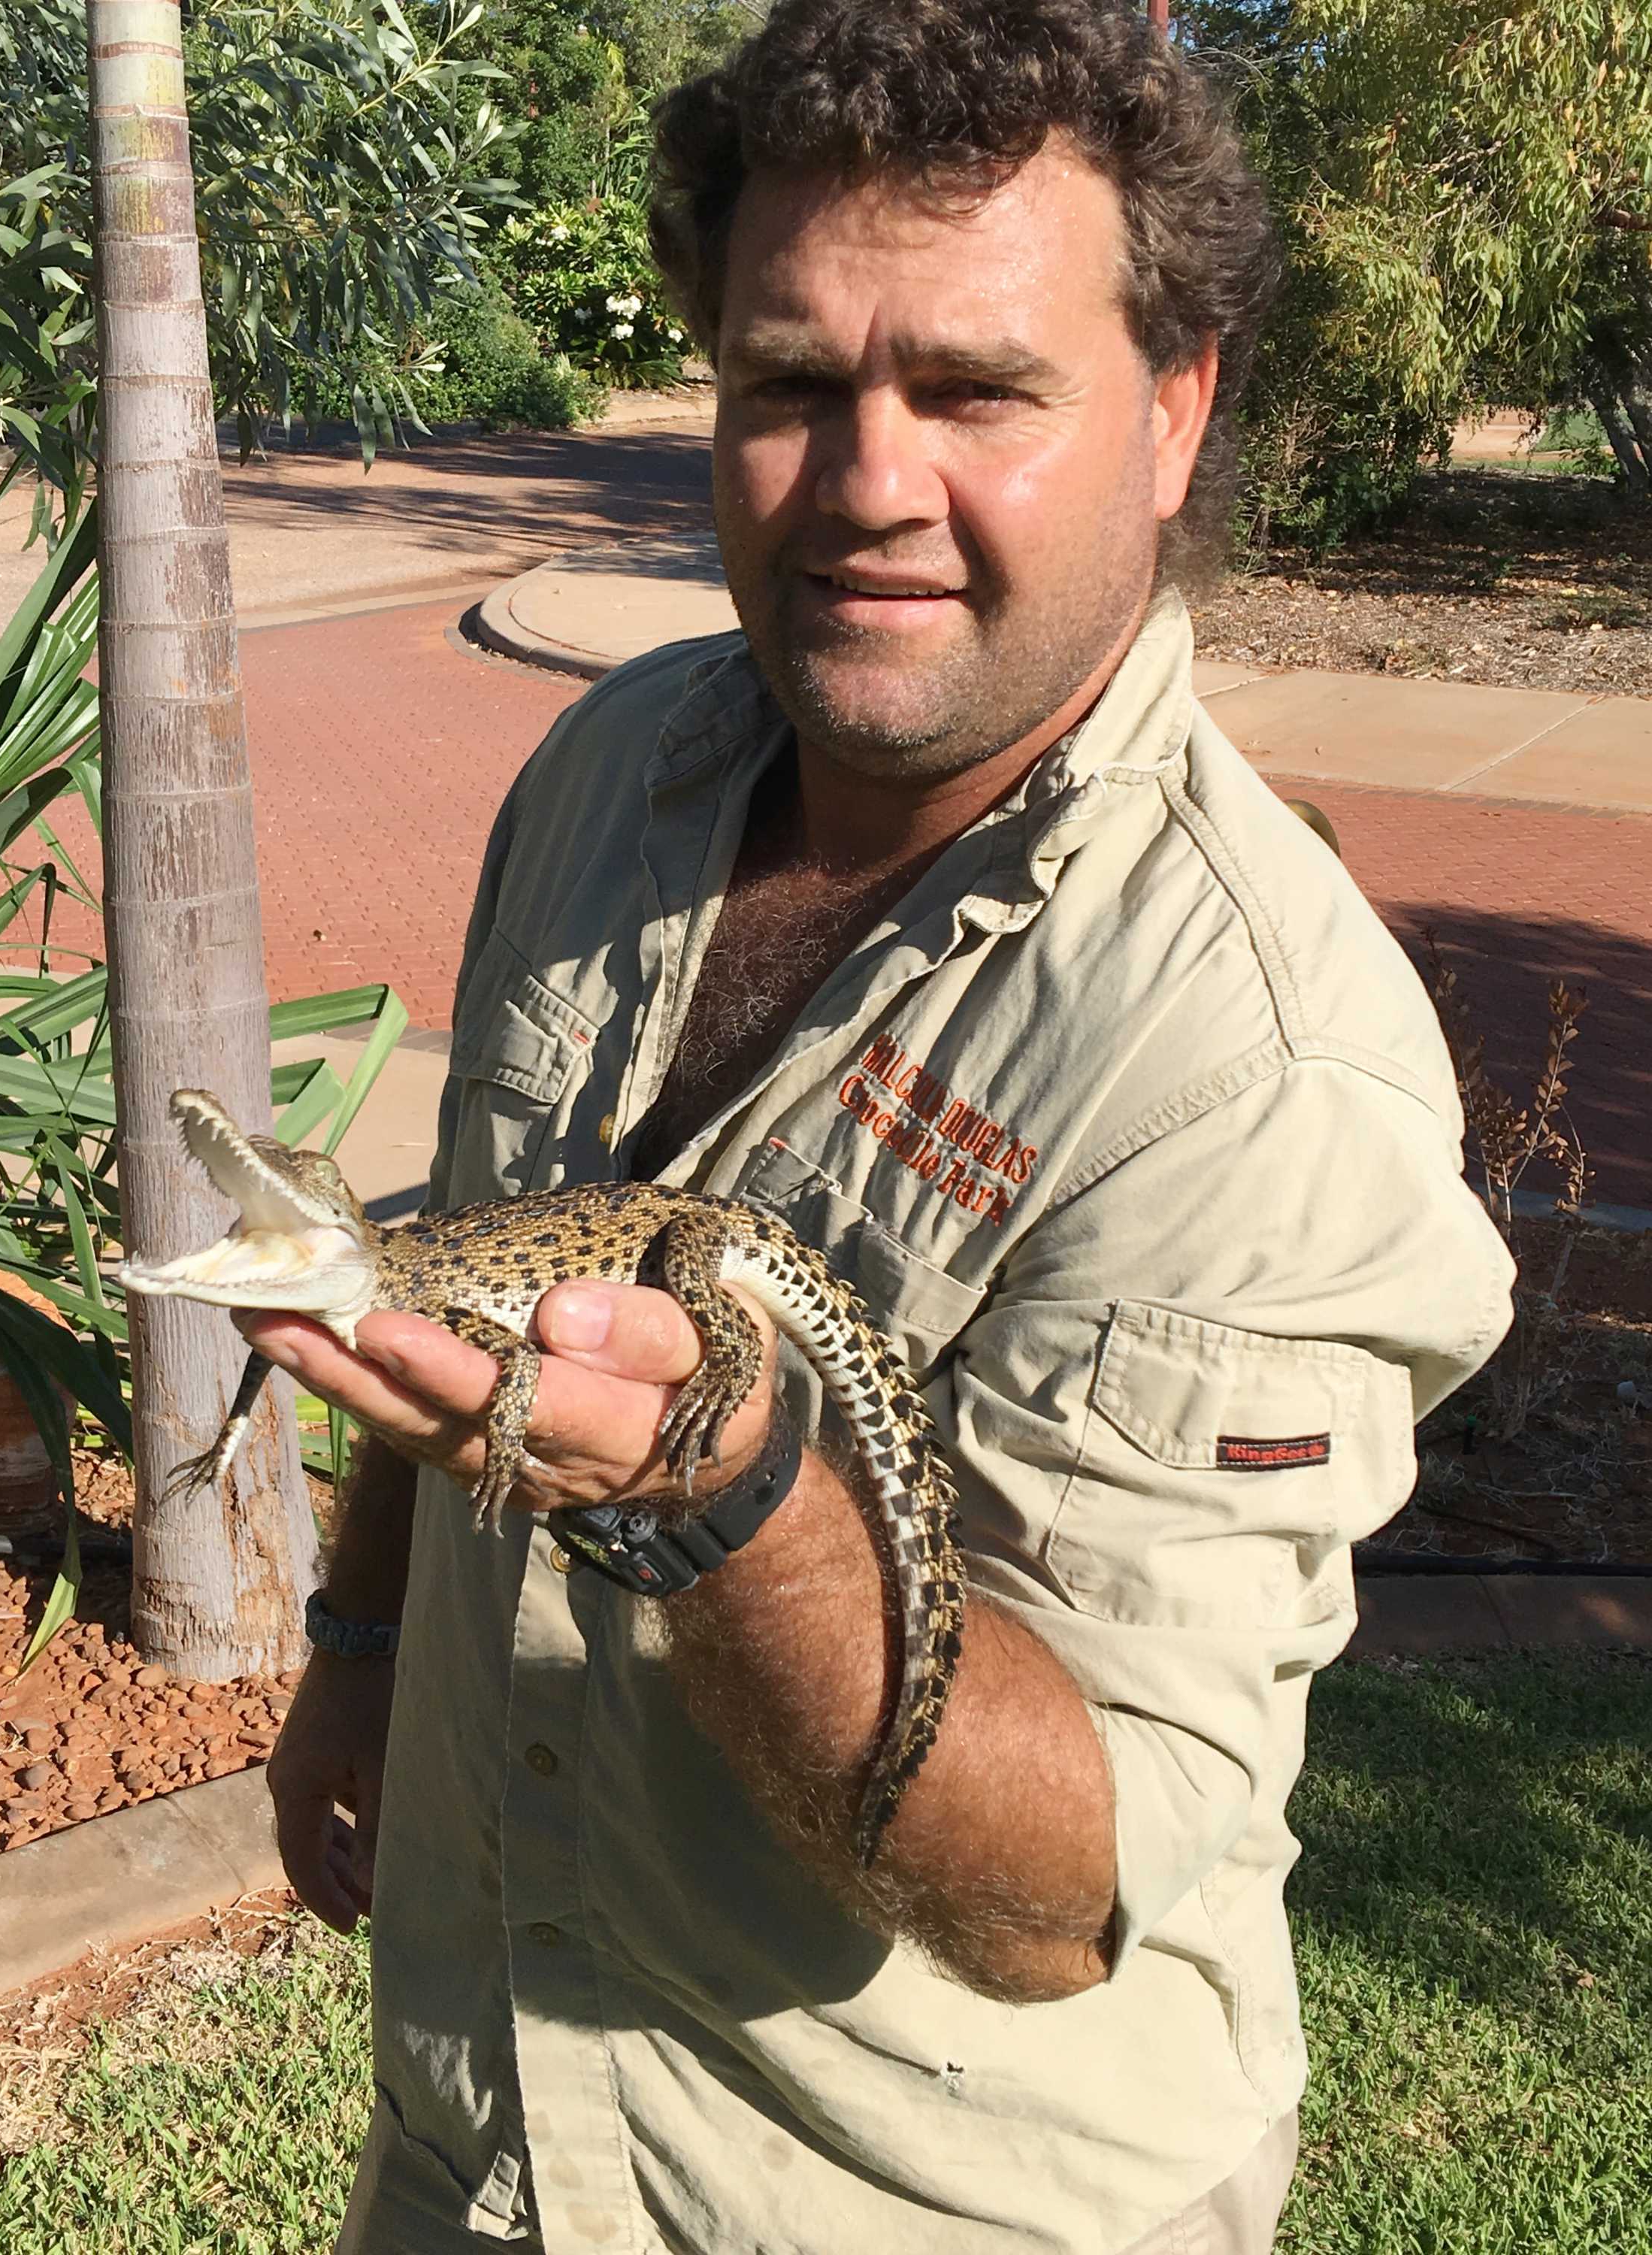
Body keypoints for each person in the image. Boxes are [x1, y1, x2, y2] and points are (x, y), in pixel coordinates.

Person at [253, 5, 1514, 2250]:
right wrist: (356, 1656)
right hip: (487, 2125)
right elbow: (471, 1247)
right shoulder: (614, 770)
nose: (863, 482)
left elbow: (1059, 1893)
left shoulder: (1252, 1065)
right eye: (788, 382)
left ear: (1172, 408)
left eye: (974, 388)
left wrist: (716, 1495)